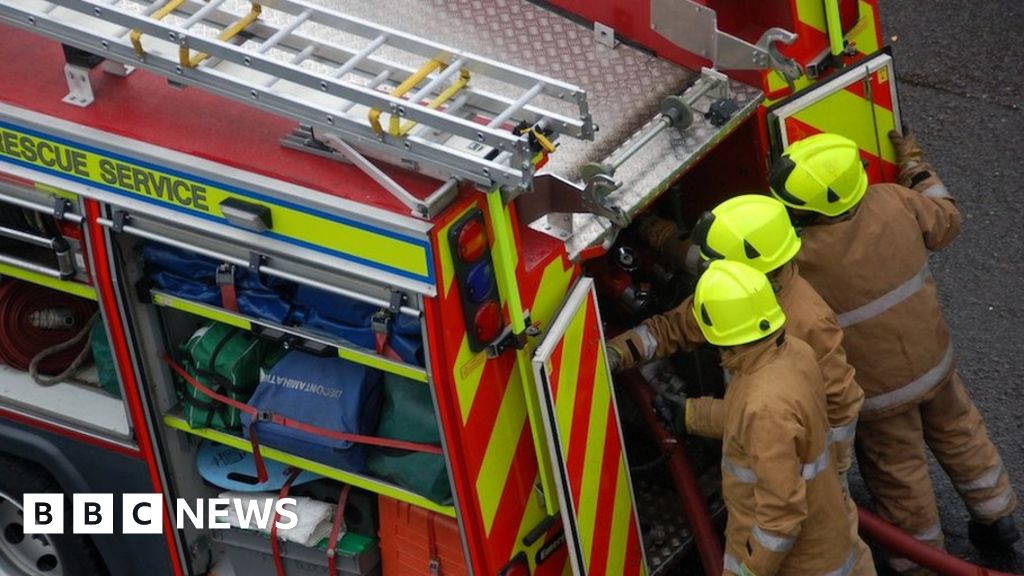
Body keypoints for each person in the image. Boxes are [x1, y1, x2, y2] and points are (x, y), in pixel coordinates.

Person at [768, 131, 1019, 574]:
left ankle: (922, 561)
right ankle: (997, 518)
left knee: (901, 477)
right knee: (963, 434)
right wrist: (916, 165)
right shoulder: (895, 201)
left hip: (881, 398)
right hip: (935, 363)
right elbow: (947, 221)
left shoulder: (801, 259)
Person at [609, 195, 872, 570]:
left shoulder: (803, 327)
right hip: (817, 512)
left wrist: (745, 570)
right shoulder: (781, 339)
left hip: (795, 546)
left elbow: (779, 513)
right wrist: (626, 356)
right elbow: (678, 328)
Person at [691, 259, 869, 575]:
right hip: (829, 536)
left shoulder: (763, 404)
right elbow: (752, 424)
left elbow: (781, 515)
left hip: (799, 565)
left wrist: (749, 572)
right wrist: (690, 414)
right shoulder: (795, 353)